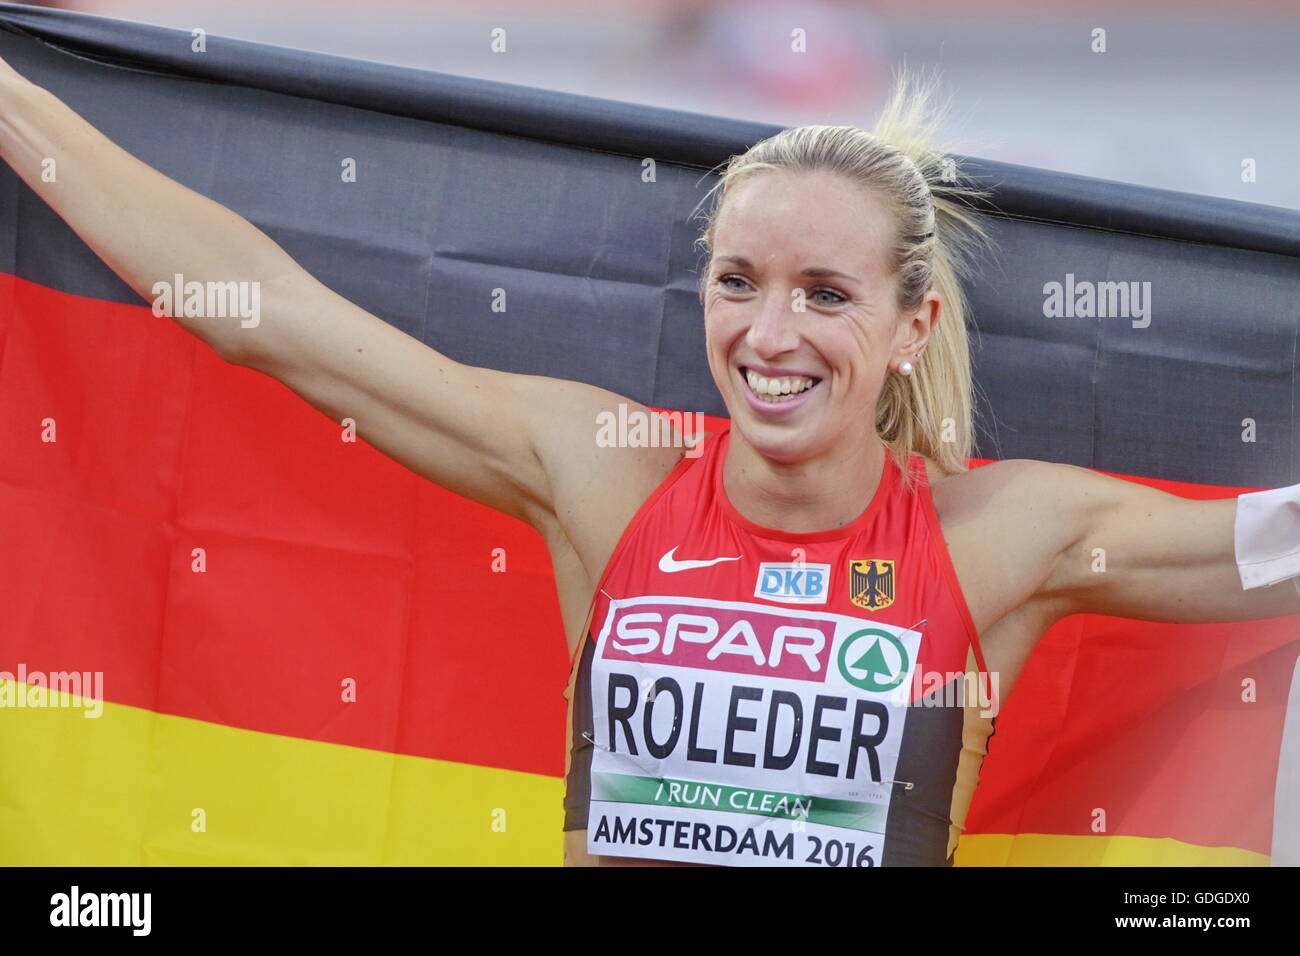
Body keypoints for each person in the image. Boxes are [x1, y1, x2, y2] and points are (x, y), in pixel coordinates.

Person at [1, 56, 1296, 866]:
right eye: (738, 282)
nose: (769, 335)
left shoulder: (997, 539)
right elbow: (266, 318)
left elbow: (1276, 547)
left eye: (824, 294)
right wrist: (17, 102)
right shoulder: (602, 476)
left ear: (914, 326)